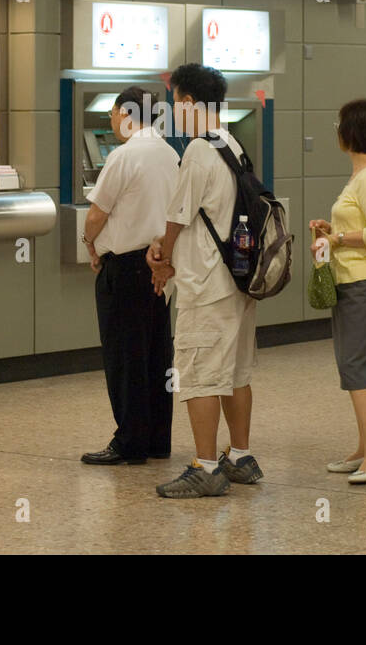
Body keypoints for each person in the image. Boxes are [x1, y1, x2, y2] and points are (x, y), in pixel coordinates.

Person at [146, 63, 260, 498]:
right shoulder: (232, 142)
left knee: (198, 375)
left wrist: (163, 257)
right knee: (236, 373)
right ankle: (241, 457)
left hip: (206, 284)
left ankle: (206, 467)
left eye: (176, 102)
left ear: (190, 102)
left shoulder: (197, 150)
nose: (175, 110)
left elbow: (178, 216)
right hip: (238, 279)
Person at [80, 87, 180, 465]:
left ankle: (129, 441)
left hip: (124, 268)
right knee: (156, 354)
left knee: (125, 357)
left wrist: (90, 244)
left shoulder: (125, 155)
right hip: (159, 265)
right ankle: (156, 439)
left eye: (112, 114)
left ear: (126, 112)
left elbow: (95, 214)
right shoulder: (170, 154)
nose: (110, 121)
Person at [309, 99, 366, 484]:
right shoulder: (360, 177)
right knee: (356, 368)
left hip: (363, 283)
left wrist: (338, 237)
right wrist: (333, 231)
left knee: (358, 369)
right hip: (351, 282)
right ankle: (365, 448)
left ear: (349, 134)